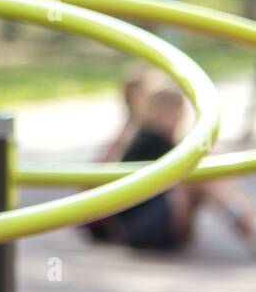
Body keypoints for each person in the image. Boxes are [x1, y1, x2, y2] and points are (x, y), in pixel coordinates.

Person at [85, 71, 256, 253]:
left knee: (208, 173)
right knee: (202, 175)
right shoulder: (148, 138)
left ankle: (247, 224)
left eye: (177, 111)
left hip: (156, 221)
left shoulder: (164, 141)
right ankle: (249, 227)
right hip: (139, 227)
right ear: (154, 112)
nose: (174, 118)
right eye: (167, 112)